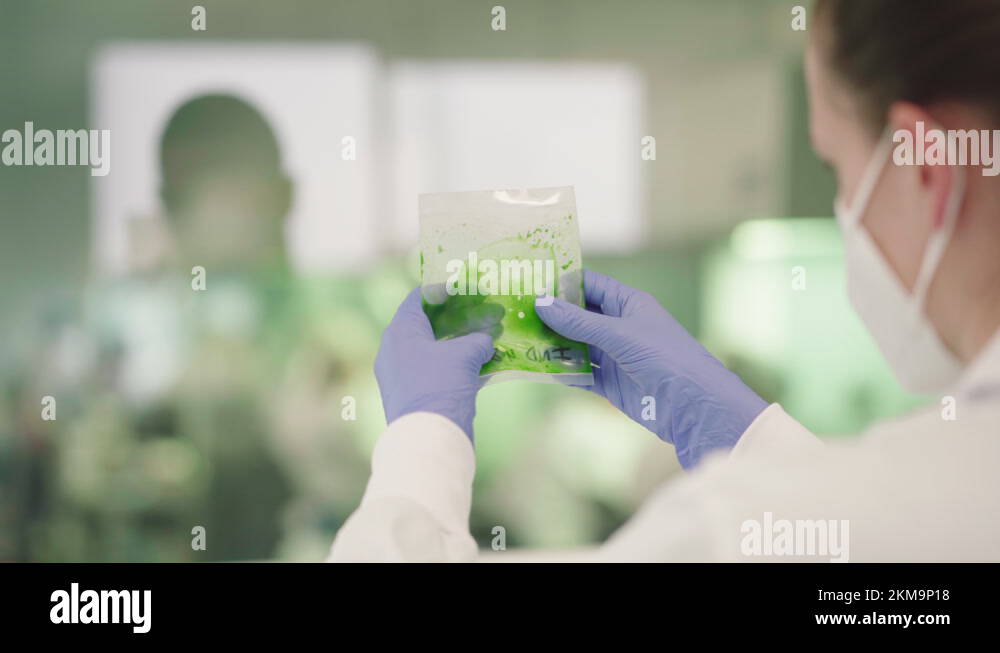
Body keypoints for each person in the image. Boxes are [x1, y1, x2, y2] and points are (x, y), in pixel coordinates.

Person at [329, 0, 1000, 562]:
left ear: (926, 169)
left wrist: (419, 454)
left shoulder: (725, 528)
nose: (844, 205)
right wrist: (754, 440)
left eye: (835, 167)